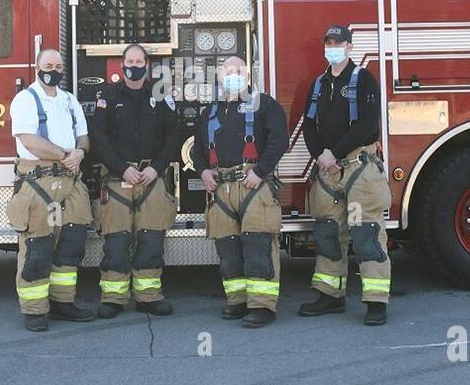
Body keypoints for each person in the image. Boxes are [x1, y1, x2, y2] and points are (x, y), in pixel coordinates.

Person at [297, 25, 392, 326]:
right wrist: (320, 156)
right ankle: (330, 295)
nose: (333, 47)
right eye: (329, 42)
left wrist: (334, 154)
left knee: (366, 234)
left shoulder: (363, 79)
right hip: (328, 169)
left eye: (338, 42)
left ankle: (376, 302)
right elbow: (309, 124)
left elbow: (366, 125)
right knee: (327, 234)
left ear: (350, 47)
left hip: (358, 168)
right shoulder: (318, 84)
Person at [190, 56, 288, 328]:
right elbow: (197, 150)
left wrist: (260, 171)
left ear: (248, 75)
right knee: (228, 249)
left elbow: (280, 140)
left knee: (258, 246)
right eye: (228, 71)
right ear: (220, 78)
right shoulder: (209, 113)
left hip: (253, 185)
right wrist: (203, 172)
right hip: (221, 189)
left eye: (239, 70)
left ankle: (262, 306)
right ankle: (238, 300)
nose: (233, 75)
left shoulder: (265, 104)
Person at [6, 48, 95, 332]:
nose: (53, 70)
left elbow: (84, 137)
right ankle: (34, 309)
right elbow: (28, 139)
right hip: (39, 181)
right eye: (48, 65)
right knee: (37, 246)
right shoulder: (25, 100)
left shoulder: (70, 101)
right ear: (37, 66)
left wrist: (80, 153)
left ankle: (62, 303)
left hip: (70, 182)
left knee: (71, 244)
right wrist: (63, 154)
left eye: (58, 66)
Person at [88, 43, 179, 318]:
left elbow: (173, 135)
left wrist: (157, 168)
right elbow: (99, 139)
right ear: (122, 64)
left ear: (147, 65)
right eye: (130, 60)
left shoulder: (161, 96)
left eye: (140, 60)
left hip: (152, 178)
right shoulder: (108, 95)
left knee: (151, 238)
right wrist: (121, 168)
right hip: (117, 179)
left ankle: (148, 295)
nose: (135, 64)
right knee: (116, 238)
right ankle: (113, 297)